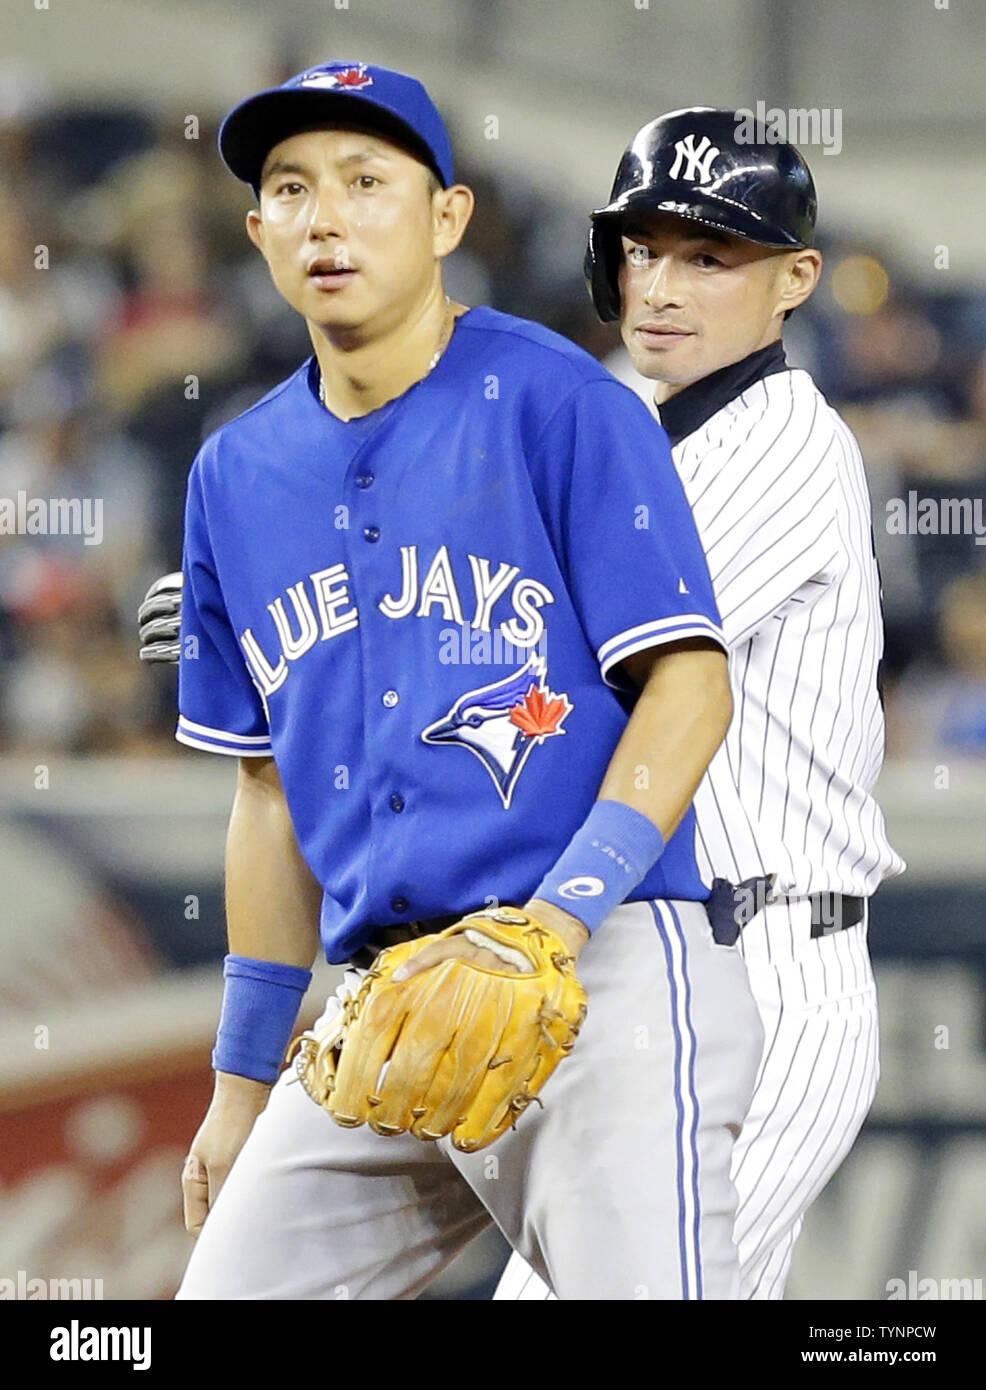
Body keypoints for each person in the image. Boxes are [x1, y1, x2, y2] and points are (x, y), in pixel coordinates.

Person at [166, 64, 763, 1300]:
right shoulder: (232, 474)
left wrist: (551, 924)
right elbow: (265, 798)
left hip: (598, 965)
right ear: (257, 233)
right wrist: (237, 1087)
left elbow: (691, 685)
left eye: (365, 183)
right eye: (291, 189)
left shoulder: (562, 404)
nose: (324, 217)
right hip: (385, 1006)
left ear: (446, 219)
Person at [494, 109, 905, 1303]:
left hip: (774, 970)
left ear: (793, 279)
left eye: (709, 258)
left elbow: (578, 645)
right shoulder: (620, 409)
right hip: (653, 969)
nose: (662, 286)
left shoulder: (785, 444)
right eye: (643, 251)